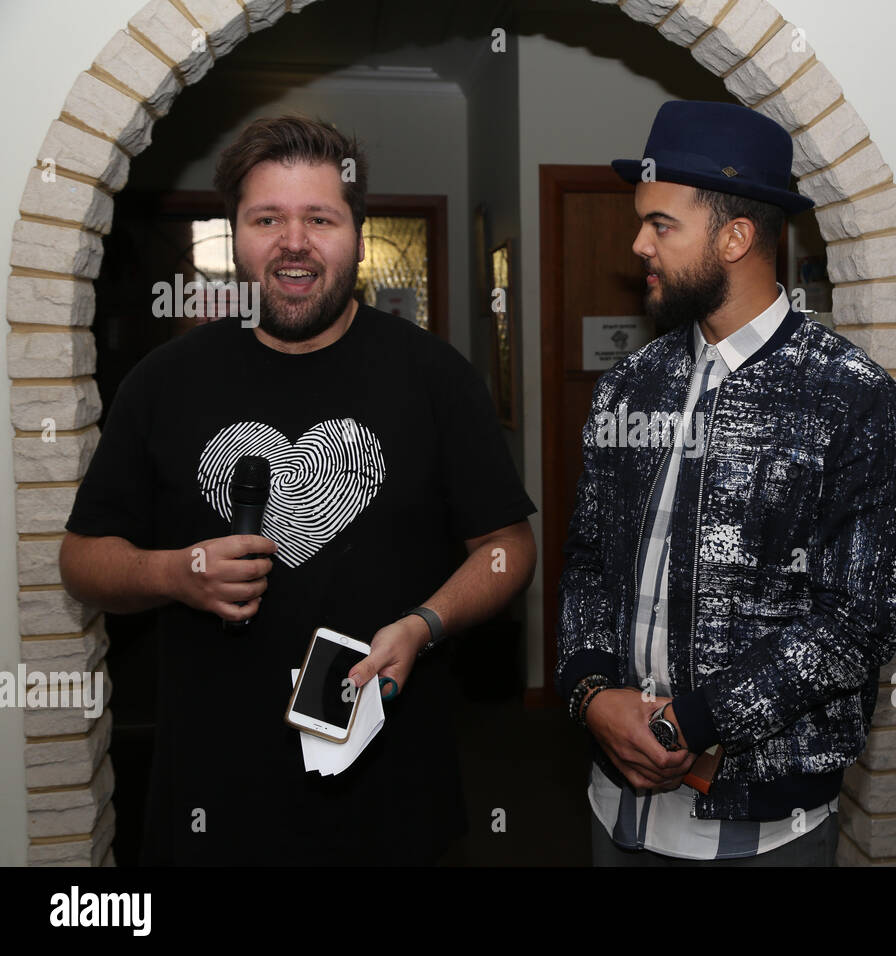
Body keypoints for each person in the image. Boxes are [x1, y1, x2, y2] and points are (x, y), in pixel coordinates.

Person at [59, 115, 537, 865]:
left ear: (356, 228)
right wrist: (174, 572)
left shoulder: (436, 377)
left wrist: (424, 624)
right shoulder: (163, 383)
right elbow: (82, 562)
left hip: (390, 788)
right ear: (235, 232)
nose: (294, 242)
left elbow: (509, 548)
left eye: (320, 218)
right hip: (213, 798)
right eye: (267, 219)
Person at [556, 100, 896, 866]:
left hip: (760, 830)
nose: (637, 244)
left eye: (661, 225)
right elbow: (587, 563)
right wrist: (593, 695)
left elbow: (857, 624)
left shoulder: (851, 397)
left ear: (735, 237)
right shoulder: (629, 387)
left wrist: (685, 724)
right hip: (614, 808)